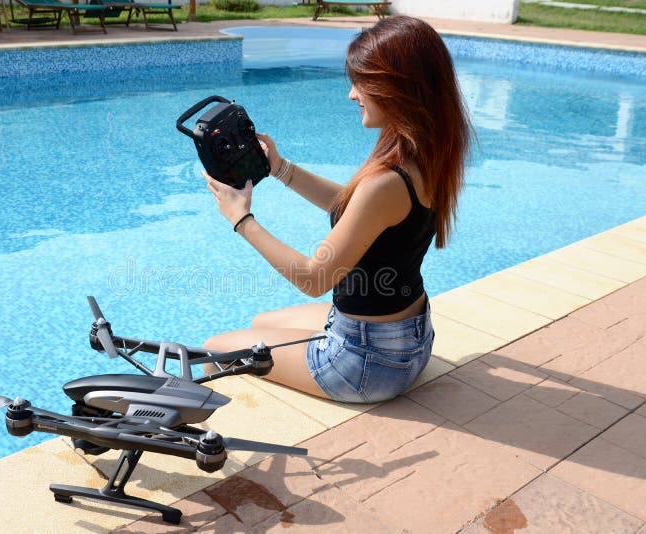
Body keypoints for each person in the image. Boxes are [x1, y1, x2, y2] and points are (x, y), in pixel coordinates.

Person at [201, 16, 470, 403]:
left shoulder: (385, 183)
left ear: (396, 87)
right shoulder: (426, 155)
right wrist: (280, 168)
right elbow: (359, 208)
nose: (351, 94)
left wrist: (240, 219)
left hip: (365, 363)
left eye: (361, 82)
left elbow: (314, 279)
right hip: (411, 338)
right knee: (261, 323)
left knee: (213, 350)